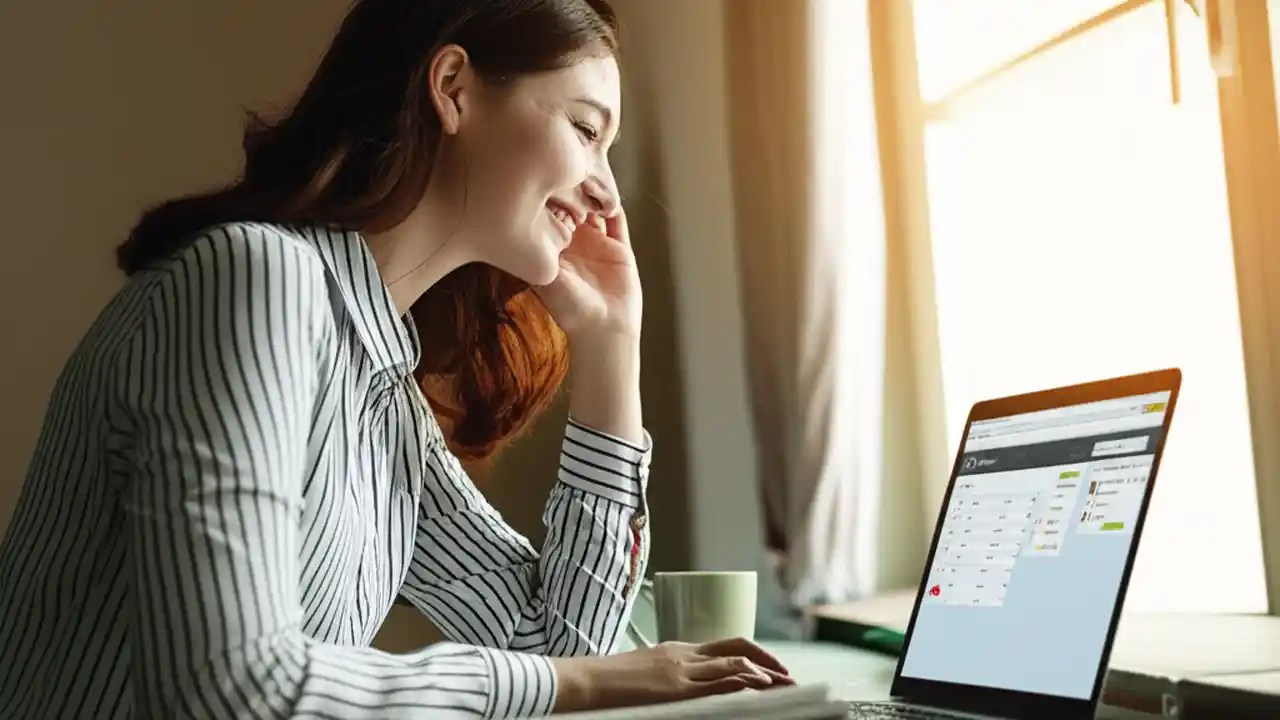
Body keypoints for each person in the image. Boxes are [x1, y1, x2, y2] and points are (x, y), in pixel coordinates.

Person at [0, 1, 793, 717]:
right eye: (587, 131)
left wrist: (613, 348)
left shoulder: (381, 392)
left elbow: (563, 644)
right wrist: (576, 684)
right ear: (452, 87)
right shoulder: (251, 279)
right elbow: (231, 689)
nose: (605, 194)